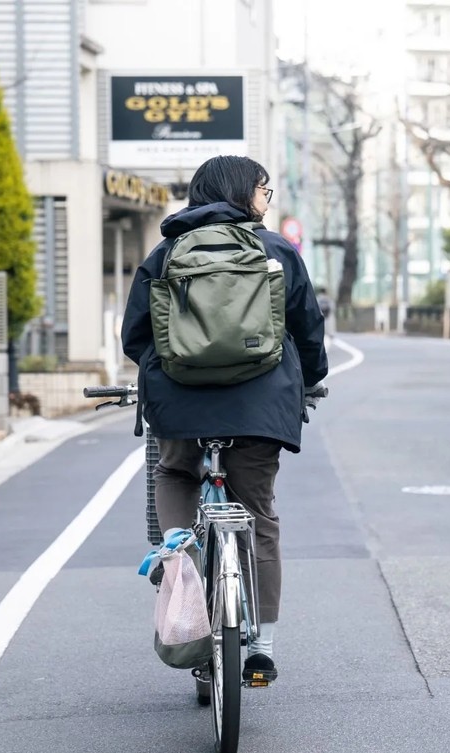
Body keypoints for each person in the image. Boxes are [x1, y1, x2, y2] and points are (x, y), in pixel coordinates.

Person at [121, 155, 328, 686]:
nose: (267, 200)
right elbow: (307, 329)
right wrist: (309, 380)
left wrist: (160, 376)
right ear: (244, 193)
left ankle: (178, 555)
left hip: (180, 401)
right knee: (258, 512)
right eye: (264, 190)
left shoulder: (165, 253)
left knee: (175, 473)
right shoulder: (277, 251)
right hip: (261, 402)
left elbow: (135, 336)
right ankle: (260, 646)